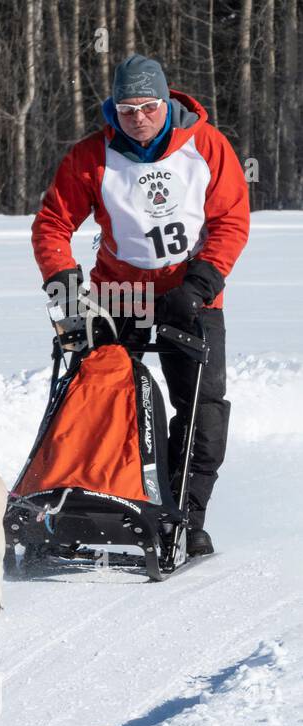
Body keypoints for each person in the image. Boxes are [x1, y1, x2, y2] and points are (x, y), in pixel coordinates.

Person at [32, 54, 249, 556]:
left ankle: (185, 514)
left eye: (149, 107)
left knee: (201, 406)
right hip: (119, 294)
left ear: (166, 101)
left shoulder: (207, 146)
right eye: (127, 110)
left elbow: (232, 221)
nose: (139, 119)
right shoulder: (91, 155)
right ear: (113, 109)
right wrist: (67, 294)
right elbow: (53, 225)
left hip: (191, 293)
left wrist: (198, 284)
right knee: (95, 398)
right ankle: (84, 502)